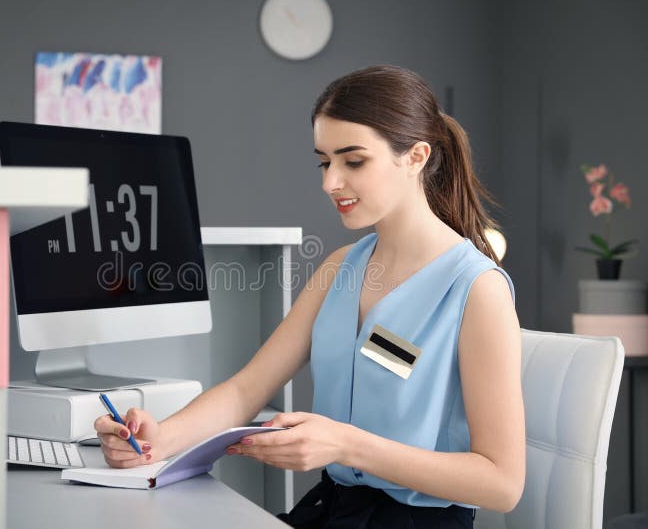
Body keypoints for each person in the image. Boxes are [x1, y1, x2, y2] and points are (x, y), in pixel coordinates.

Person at [93, 65, 525, 528]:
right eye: (325, 161)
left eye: (353, 161)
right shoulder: (340, 268)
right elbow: (245, 389)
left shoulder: (478, 288)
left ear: (416, 156)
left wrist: (344, 445)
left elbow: (502, 483)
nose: (330, 183)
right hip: (331, 510)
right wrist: (159, 439)